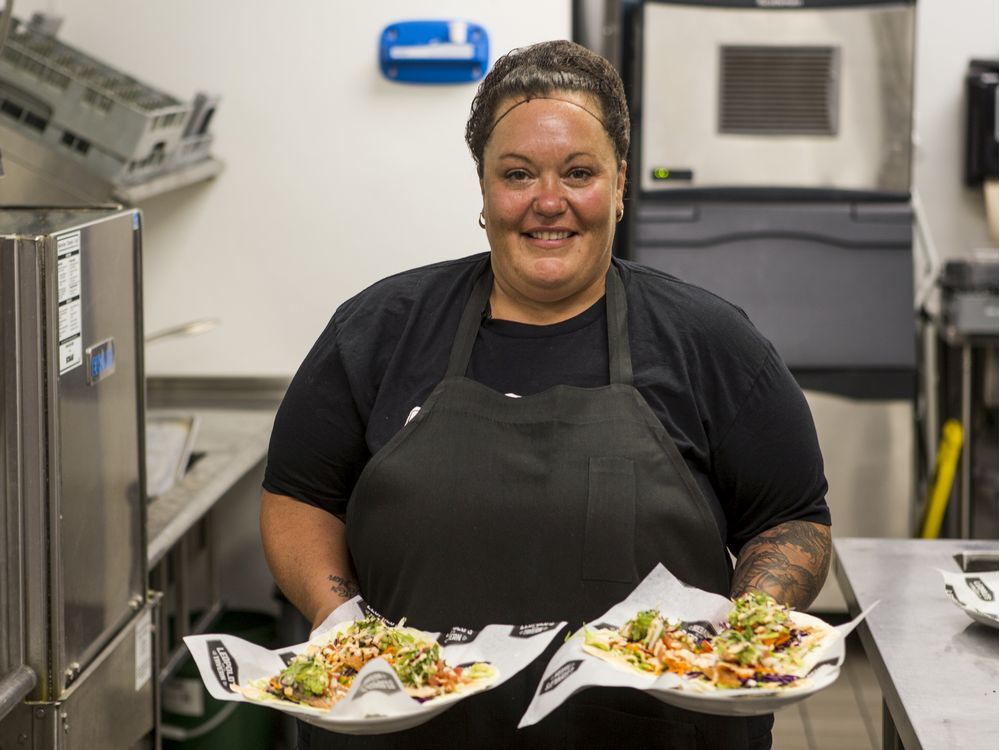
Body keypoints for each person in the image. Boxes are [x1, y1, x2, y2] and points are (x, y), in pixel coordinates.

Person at [260, 39, 831, 750]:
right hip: (407, 733)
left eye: (580, 172)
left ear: (620, 185)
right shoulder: (379, 331)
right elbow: (298, 496)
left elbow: (793, 517)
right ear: (484, 190)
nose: (548, 202)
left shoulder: (708, 341)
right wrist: (338, 617)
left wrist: (744, 632)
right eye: (518, 173)